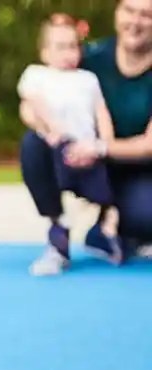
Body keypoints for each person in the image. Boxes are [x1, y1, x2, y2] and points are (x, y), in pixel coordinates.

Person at [19, 0, 152, 273]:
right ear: (117, 13)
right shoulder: (88, 57)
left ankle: (111, 230)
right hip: (79, 157)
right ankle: (58, 230)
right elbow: (29, 104)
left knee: (146, 213)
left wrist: (100, 148)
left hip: (138, 169)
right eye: (129, 10)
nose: (135, 21)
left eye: (146, 14)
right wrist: (49, 130)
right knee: (33, 145)